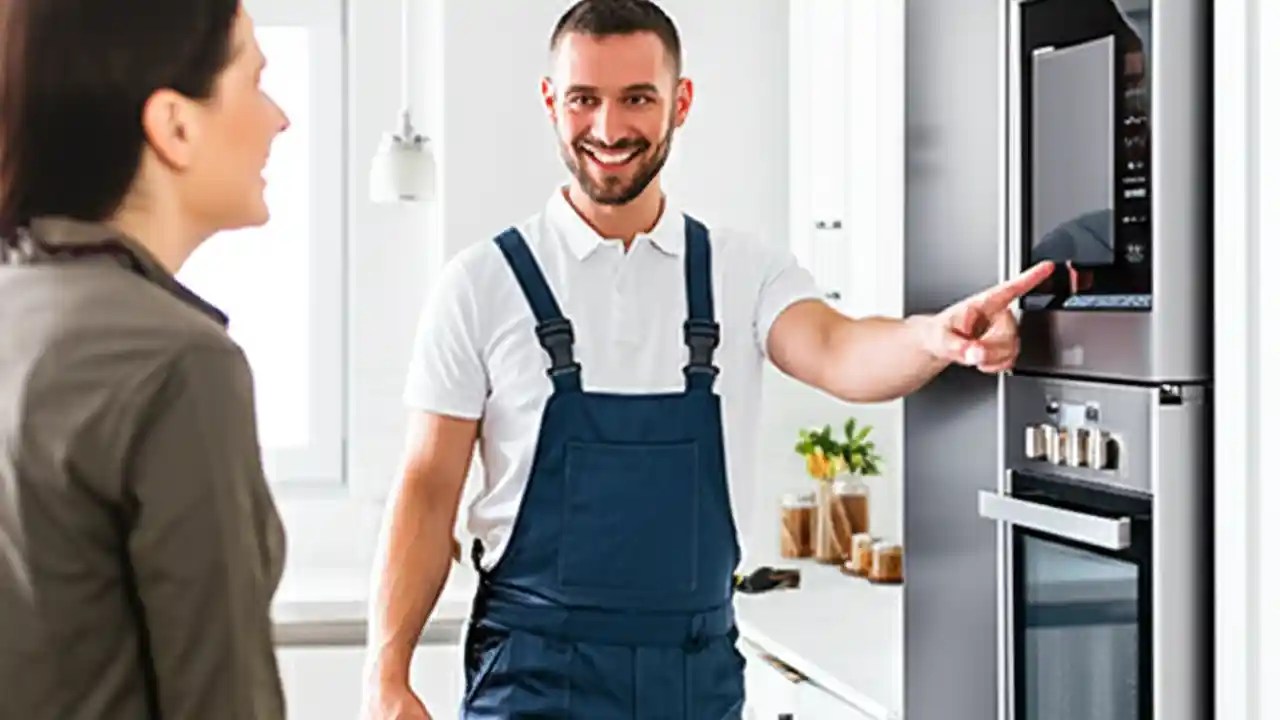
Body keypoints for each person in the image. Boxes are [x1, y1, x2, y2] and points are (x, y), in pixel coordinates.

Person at [361, 1, 1054, 718]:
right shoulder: (480, 284)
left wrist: (932, 337)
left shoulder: (740, 271)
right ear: (550, 102)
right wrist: (386, 674)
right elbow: (427, 488)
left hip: (693, 679)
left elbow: (839, 348)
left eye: (637, 99)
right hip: (530, 674)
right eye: (583, 99)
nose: (608, 128)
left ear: (681, 102)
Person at [0, 1, 291, 718]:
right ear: (174, 126)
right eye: (255, 81)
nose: (278, 119)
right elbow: (224, 701)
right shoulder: (178, 362)